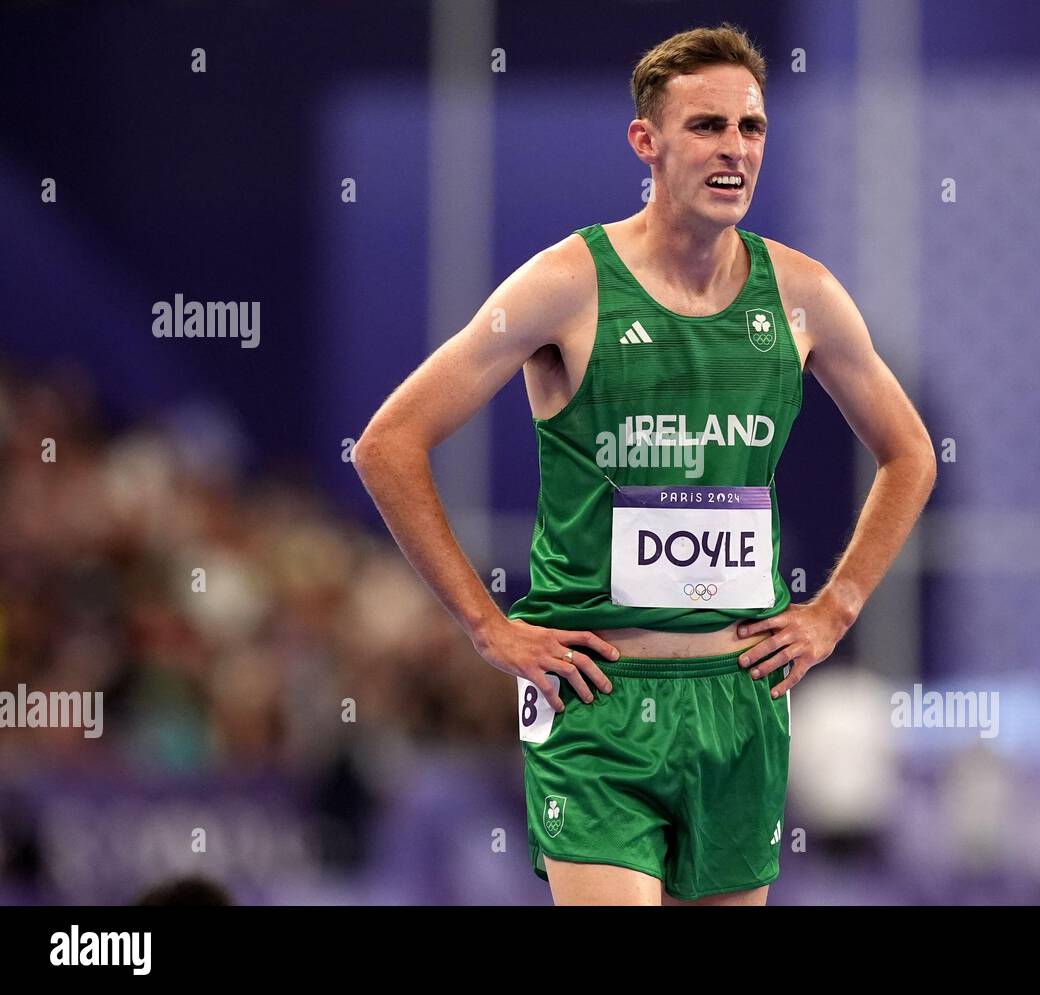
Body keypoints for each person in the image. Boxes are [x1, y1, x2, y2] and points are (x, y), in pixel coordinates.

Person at [353, 22, 936, 906]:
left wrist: (836, 608)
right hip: (598, 704)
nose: (734, 148)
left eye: (751, 127)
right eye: (706, 126)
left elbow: (909, 453)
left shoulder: (804, 296)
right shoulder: (565, 285)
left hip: (740, 703)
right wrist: (487, 627)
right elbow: (388, 444)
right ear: (647, 141)